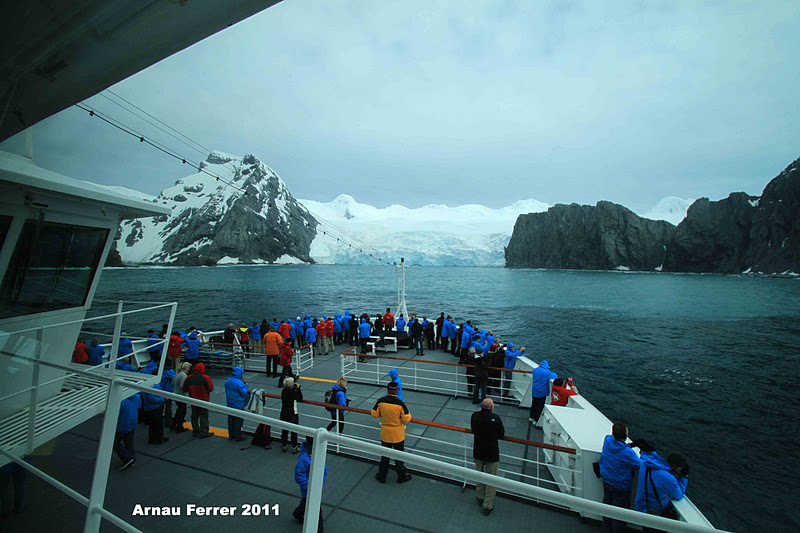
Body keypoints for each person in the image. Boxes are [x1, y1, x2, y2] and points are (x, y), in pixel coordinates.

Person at [599, 422, 642, 533]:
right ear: (625, 435)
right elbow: (640, 465)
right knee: (619, 515)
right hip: (621, 487)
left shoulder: (608, 440)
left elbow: (617, 445)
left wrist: (629, 445)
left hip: (607, 482)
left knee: (607, 508)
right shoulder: (628, 453)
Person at [635, 450, 689, 531]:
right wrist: (684, 477)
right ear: (677, 467)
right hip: (655, 514)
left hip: (641, 507)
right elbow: (679, 495)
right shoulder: (669, 479)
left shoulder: (645, 464)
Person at [371, 381, 412, 484]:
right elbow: (406, 418)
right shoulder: (400, 404)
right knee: (399, 456)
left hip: (385, 433)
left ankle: (382, 476)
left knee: (385, 456)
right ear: (396, 390)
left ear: (387, 389)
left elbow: (374, 414)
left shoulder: (381, 401)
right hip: (397, 434)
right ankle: (401, 476)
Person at [471, 398, 505, 515]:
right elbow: (501, 434)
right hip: (491, 453)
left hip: (478, 451)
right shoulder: (495, 419)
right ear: (491, 407)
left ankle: (480, 496)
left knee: (479, 475)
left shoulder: (475, 416)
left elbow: (473, 429)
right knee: (491, 480)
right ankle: (487, 506)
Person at [292, 436, 326, 531]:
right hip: (311, 486)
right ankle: (319, 530)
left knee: (306, 501)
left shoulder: (313, 453)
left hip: (315, 485)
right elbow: (299, 475)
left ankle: (298, 513)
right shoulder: (305, 458)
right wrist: (311, 486)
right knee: (317, 511)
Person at [183, 362, 214, 438]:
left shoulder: (189, 377)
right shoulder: (205, 378)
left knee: (194, 416)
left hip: (193, 400)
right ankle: (204, 432)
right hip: (203, 400)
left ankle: (195, 431)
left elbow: (184, 388)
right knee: (204, 417)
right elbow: (210, 388)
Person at [115, 393, 141, 470]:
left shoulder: (121, 402)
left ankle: (127, 458)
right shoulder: (137, 396)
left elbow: (115, 415)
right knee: (129, 441)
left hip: (122, 426)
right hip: (133, 422)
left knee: (114, 443)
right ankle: (132, 459)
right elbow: (138, 407)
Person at [0, 455, 31, 520]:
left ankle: (6, 510)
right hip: (22, 461)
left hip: (4, 463)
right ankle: (19, 506)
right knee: (20, 486)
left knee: (4, 489)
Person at [529, 360, 557, 428]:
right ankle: (536, 420)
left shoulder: (535, 370)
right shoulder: (547, 372)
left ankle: (531, 417)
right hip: (542, 392)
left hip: (534, 390)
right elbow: (555, 376)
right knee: (540, 407)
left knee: (534, 404)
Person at [224, 367, 248, 442]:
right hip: (238, 404)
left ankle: (231, 434)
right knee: (238, 421)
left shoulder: (227, 381)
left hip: (230, 403)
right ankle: (238, 436)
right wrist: (246, 385)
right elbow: (244, 392)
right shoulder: (239, 383)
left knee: (231, 420)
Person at [280, 377, 303, 453]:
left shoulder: (283, 391)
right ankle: (294, 446)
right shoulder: (293, 392)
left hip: (284, 412)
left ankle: (284, 444)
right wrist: (298, 389)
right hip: (292, 413)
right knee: (294, 431)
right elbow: (300, 398)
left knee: (284, 430)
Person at [170, 362, 191, 433]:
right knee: (182, 411)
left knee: (179, 410)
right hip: (181, 395)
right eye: (188, 367)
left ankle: (173, 425)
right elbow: (183, 386)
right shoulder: (184, 375)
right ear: (186, 368)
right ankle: (179, 427)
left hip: (176, 394)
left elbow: (172, 383)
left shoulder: (178, 374)